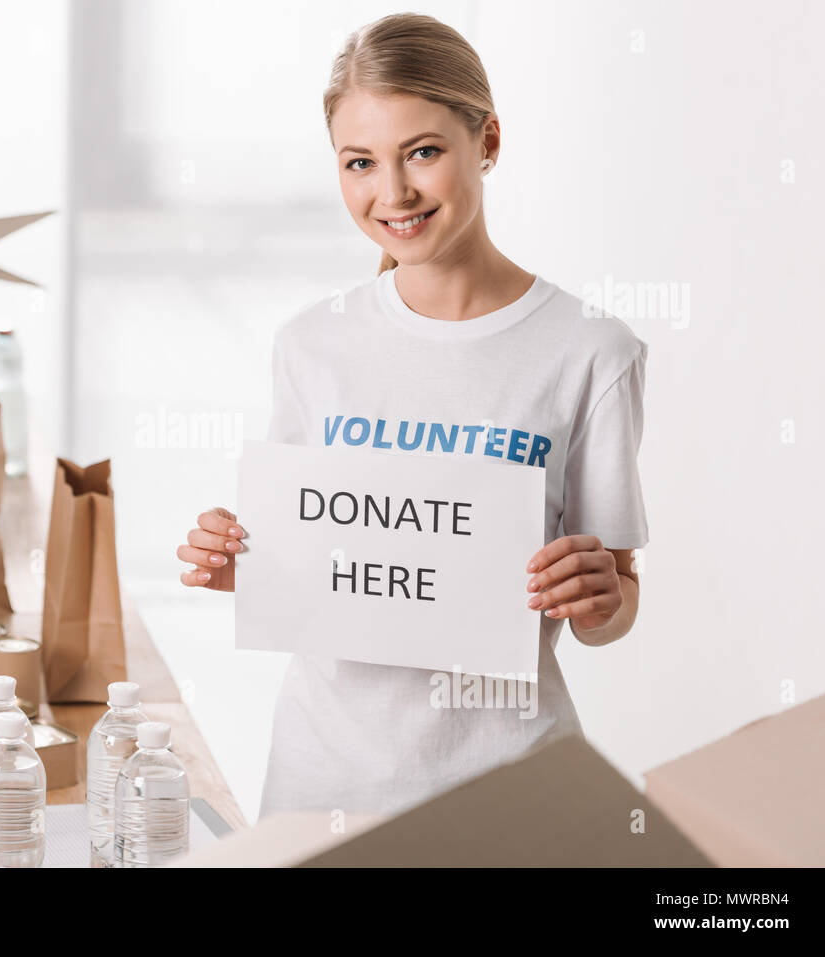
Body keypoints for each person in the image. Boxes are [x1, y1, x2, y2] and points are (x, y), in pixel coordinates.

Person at [176, 13, 648, 817]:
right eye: (359, 162)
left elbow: (614, 603)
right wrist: (239, 564)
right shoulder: (312, 342)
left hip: (512, 791)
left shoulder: (591, 350)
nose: (390, 193)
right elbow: (307, 561)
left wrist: (604, 599)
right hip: (321, 789)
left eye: (422, 152)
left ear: (488, 141)